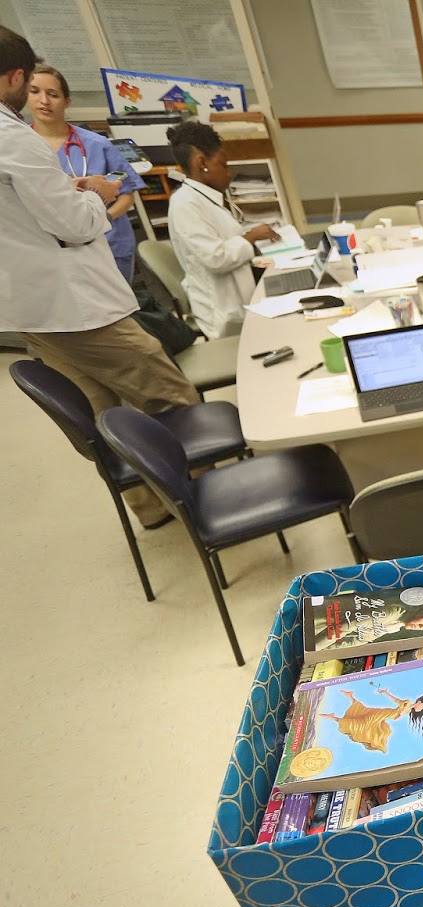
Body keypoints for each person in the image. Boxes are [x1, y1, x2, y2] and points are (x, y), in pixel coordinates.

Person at [0, 25, 199, 530]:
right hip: (74, 306)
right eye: (32, 87)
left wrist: (69, 195)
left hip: (30, 304)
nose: (37, 99)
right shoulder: (13, 138)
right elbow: (76, 223)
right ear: (16, 77)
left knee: (99, 407)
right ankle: (208, 497)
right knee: (166, 392)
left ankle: (154, 508)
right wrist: (97, 193)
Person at [27, 65, 145, 282]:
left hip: (108, 242)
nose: (44, 101)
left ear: (66, 102)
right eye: (34, 91)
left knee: (117, 310)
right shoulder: (20, 147)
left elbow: (128, 194)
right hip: (53, 250)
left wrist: (102, 219)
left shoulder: (97, 144)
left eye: (53, 94)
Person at [164, 119, 278, 339]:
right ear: (201, 163)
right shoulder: (185, 204)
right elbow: (216, 258)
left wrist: (251, 237)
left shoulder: (203, 197)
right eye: (223, 165)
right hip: (224, 313)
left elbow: (225, 239)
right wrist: (251, 237)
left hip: (239, 293)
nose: (229, 172)